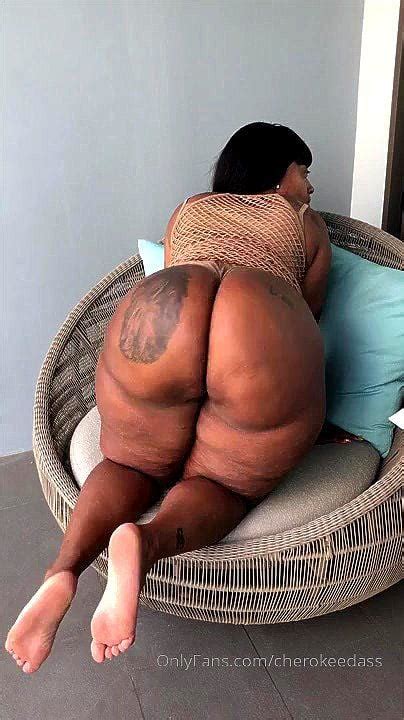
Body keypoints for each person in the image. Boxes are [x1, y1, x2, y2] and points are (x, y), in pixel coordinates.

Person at [5, 121, 361, 674]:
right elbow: (309, 316)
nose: (310, 186)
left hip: (170, 305)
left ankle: (63, 570)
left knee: (128, 461)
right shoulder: (303, 222)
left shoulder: (189, 208)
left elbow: (174, 269)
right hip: (256, 317)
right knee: (223, 483)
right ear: (278, 172)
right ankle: (142, 544)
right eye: (304, 171)